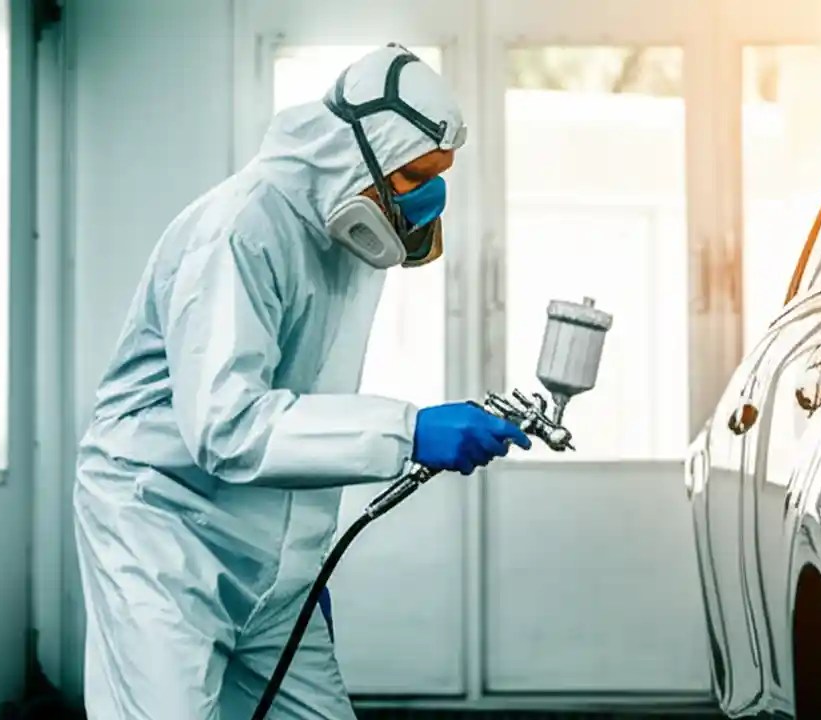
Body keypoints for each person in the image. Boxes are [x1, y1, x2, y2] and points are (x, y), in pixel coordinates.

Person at [73, 45, 529, 719]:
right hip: (163, 531)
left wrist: (298, 559)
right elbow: (227, 427)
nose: (431, 193)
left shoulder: (343, 238)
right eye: (415, 174)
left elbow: (299, 405)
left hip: (265, 556)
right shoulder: (238, 229)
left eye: (441, 174)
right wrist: (408, 430)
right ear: (361, 153)